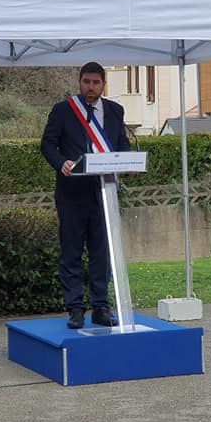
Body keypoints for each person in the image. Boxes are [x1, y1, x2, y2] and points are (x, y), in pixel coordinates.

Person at [40, 62, 131, 329]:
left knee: (102, 251)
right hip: (72, 193)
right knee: (72, 251)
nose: (91, 88)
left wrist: (128, 165)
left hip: (104, 192)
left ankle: (101, 307)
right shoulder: (63, 110)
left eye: (96, 83)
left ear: (104, 84)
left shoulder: (115, 110)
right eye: (86, 82)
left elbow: (122, 145)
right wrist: (62, 162)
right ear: (79, 82)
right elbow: (47, 144)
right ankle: (75, 308)